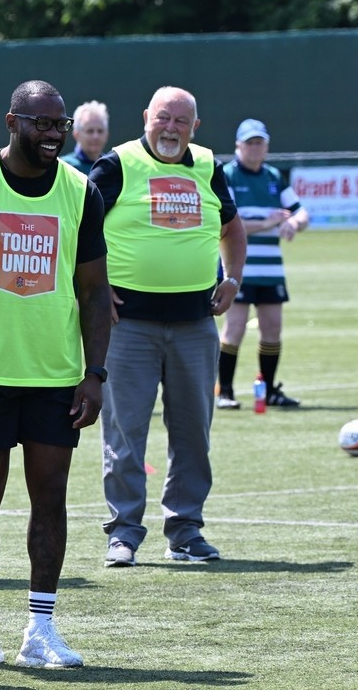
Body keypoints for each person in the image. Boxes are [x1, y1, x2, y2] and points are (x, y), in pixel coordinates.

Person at [0, 79, 111, 669]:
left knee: (49, 500)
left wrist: (94, 374)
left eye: (60, 124)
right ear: (12, 122)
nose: (54, 134)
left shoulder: (82, 192)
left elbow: (93, 290)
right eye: (43, 124)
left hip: (56, 375)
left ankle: (41, 630)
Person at [89, 85, 247, 568]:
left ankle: (185, 530)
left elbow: (232, 227)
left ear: (195, 127)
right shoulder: (117, 165)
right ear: (145, 118)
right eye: (163, 118)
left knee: (193, 433)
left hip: (196, 324)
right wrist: (94, 290)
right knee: (124, 434)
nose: (171, 128)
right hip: (129, 326)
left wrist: (233, 277)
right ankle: (124, 533)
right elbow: (78, 225)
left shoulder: (207, 165)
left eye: (181, 120)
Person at [216, 118, 310, 410]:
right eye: (250, 143)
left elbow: (302, 211)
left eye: (260, 143)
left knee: (272, 328)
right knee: (235, 328)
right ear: (238, 146)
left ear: (266, 146)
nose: (255, 148)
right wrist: (266, 222)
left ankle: (269, 390)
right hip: (239, 268)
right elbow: (229, 222)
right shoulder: (228, 175)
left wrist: (294, 223)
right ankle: (225, 391)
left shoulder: (272, 177)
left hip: (271, 270)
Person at [59, 100, 109, 175]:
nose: (96, 136)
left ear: (107, 134)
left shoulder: (111, 166)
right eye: (90, 131)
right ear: (76, 135)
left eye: (100, 131)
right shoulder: (64, 166)